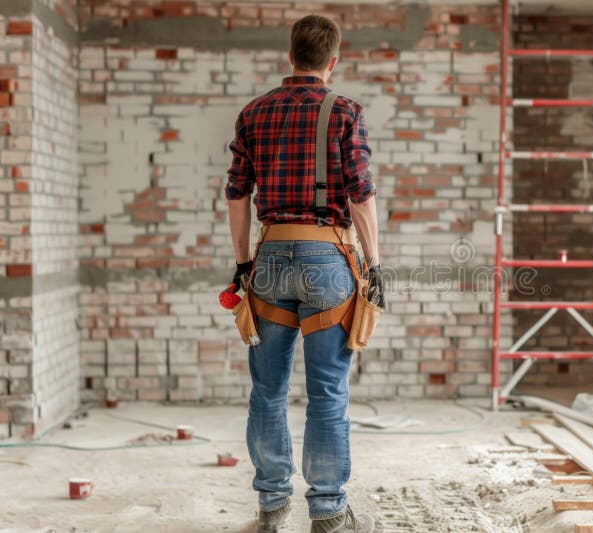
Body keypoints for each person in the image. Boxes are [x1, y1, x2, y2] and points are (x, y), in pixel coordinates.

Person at [225, 14, 383, 533]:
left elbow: (236, 193)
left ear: (290, 55)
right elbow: (360, 195)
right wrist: (375, 263)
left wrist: (244, 260)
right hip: (329, 262)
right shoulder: (346, 113)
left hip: (269, 260)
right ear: (333, 60)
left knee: (267, 391)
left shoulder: (254, 112)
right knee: (328, 393)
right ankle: (329, 513)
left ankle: (272, 505)